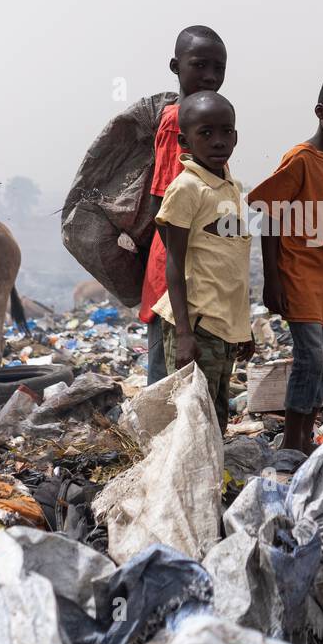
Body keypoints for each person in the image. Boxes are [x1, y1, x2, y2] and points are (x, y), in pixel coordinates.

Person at [248, 73, 323, 453]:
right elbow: (266, 213)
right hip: (298, 273)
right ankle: (292, 439)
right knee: (310, 356)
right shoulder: (300, 159)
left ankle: (306, 430)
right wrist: (272, 279)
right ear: (320, 112)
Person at [150, 91, 253, 430]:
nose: (218, 141)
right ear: (185, 140)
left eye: (226, 131)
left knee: (216, 418)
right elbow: (175, 263)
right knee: (192, 422)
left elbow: (231, 262)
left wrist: (243, 327)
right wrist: (182, 333)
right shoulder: (186, 188)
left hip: (224, 327)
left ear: (236, 136)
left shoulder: (232, 188)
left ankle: (209, 483)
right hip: (196, 324)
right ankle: (184, 485)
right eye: (205, 133)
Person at [139, 26, 228, 384]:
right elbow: (166, 203)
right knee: (169, 380)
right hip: (174, 272)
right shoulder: (179, 121)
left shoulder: (206, 122)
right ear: (176, 66)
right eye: (199, 65)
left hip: (191, 273)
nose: (210, 76)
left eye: (219, 68)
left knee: (189, 379)